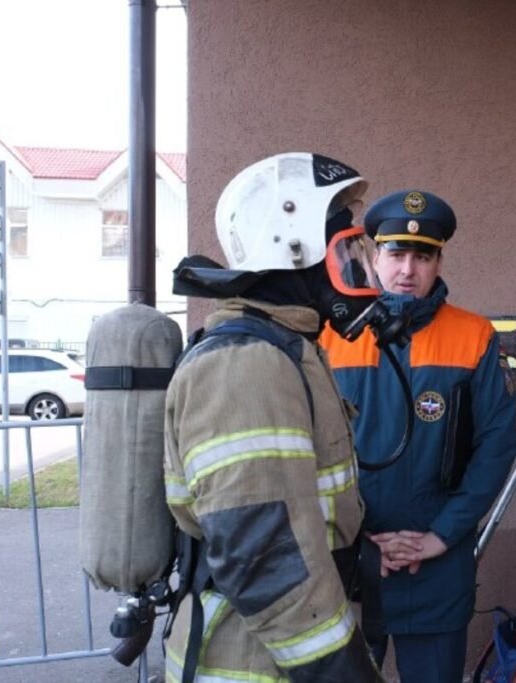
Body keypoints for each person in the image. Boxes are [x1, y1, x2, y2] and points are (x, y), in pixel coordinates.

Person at [163, 152, 386, 682]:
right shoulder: (247, 364)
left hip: (281, 654)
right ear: (294, 248)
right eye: (343, 249)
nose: (356, 269)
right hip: (252, 663)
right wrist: (345, 673)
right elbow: (266, 557)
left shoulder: (287, 349)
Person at [319, 189, 516, 682]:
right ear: (374, 255)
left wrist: (440, 535)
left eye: (423, 255)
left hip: (437, 562)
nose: (408, 268)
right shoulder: (330, 334)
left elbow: (495, 447)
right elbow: (309, 450)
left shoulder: (473, 335)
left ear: (438, 260)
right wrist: (364, 539)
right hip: (349, 557)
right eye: (396, 253)